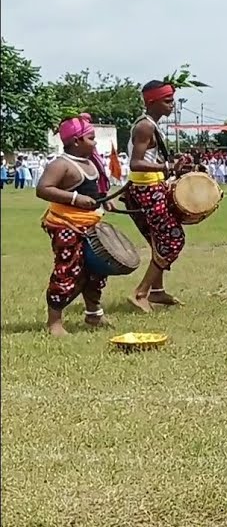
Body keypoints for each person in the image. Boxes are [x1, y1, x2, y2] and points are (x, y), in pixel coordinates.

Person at [37, 114, 113, 335]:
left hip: (89, 225)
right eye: (91, 138)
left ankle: (93, 314)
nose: (95, 142)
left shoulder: (90, 163)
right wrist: (74, 199)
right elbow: (43, 188)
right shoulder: (62, 165)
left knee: (95, 270)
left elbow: (95, 191)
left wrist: (105, 200)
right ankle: (54, 322)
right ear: (76, 141)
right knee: (67, 270)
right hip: (66, 225)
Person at [123, 79, 191, 312]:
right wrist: (167, 169)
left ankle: (158, 292)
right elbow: (136, 163)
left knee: (158, 240)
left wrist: (173, 165)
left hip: (151, 188)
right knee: (173, 240)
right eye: (167, 100)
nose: (172, 105)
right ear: (152, 101)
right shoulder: (145, 127)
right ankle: (141, 293)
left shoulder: (151, 124)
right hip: (147, 191)